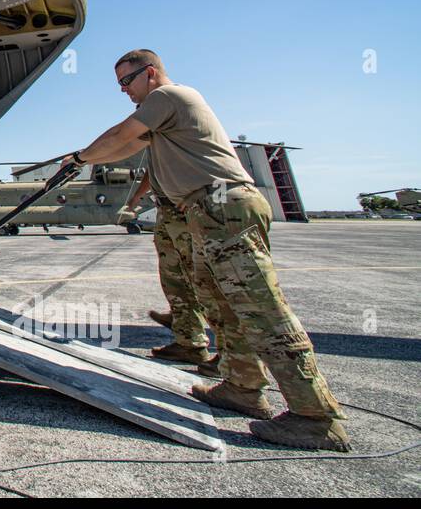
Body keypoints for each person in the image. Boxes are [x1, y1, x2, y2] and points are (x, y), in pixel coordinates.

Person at [60, 49, 349, 452]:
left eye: (127, 81)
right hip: (206, 211)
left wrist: (78, 157)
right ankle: (244, 387)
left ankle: (316, 417)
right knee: (223, 305)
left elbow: (122, 135)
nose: (123, 91)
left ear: (151, 73)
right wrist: (82, 163)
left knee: (260, 309)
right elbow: (125, 148)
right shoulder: (161, 114)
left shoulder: (167, 97)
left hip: (224, 208)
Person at [125, 170, 219, 373]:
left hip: (189, 209)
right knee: (175, 278)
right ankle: (189, 342)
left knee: (205, 281)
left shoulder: (178, 139)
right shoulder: (157, 146)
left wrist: (83, 158)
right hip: (168, 211)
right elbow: (154, 167)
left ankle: (236, 359)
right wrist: (137, 196)